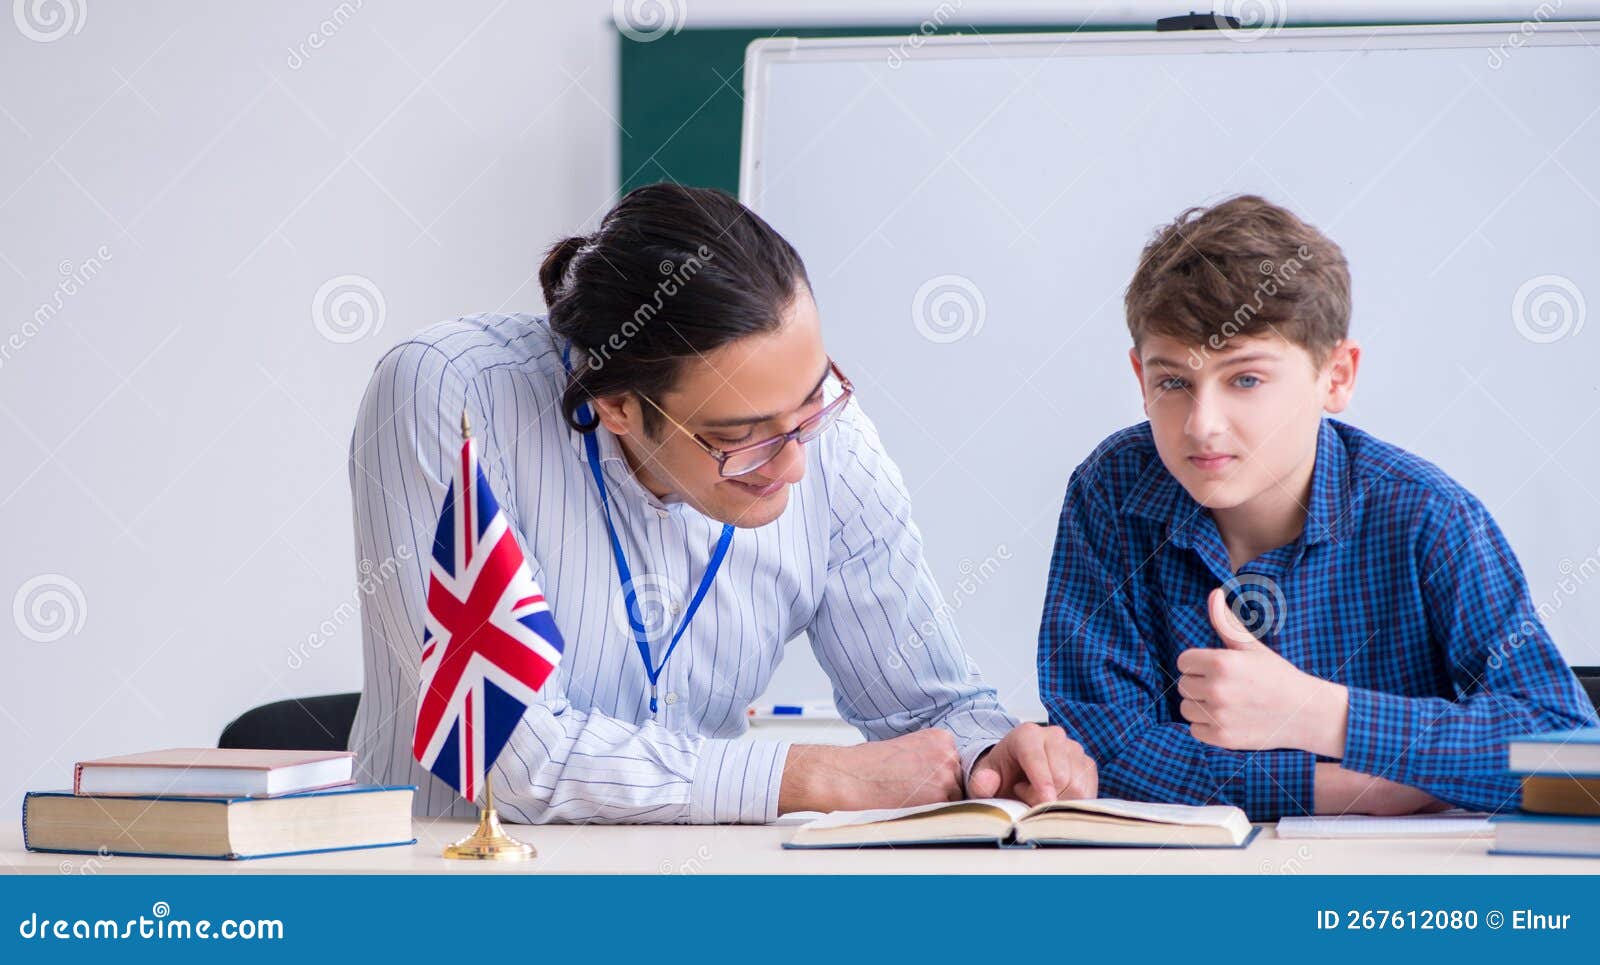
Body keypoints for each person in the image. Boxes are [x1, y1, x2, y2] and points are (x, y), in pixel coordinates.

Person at [348, 182, 1096, 822]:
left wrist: (1000, 751)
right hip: (450, 893)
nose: (797, 462)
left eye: (811, 404)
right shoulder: (451, 394)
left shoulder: (826, 439)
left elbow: (929, 710)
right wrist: (809, 776)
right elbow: (505, 752)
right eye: (740, 437)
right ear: (616, 404)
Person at [1036, 194, 1593, 821]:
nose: (1203, 425)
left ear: (1336, 377)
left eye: (1245, 379)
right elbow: (1098, 746)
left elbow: (1572, 761)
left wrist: (1318, 714)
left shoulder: (1426, 515)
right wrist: (1350, 788)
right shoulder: (1111, 491)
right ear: (1141, 377)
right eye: (1173, 382)